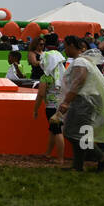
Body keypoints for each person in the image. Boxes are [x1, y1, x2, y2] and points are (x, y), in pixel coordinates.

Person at [55, 49, 104, 172]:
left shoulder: (80, 62)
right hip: (87, 102)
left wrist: (66, 102)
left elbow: (79, 80)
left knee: (72, 133)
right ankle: (78, 166)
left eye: (66, 46)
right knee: (81, 133)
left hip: (83, 102)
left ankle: (101, 156)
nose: (65, 49)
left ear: (72, 46)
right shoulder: (85, 62)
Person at [35, 34, 70, 163]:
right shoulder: (63, 75)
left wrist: (35, 109)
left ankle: (60, 159)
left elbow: (41, 94)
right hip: (61, 106)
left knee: (57, 131)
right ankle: (48, 153)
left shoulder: (46, 77)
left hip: (51, 108)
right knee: (53, 130)